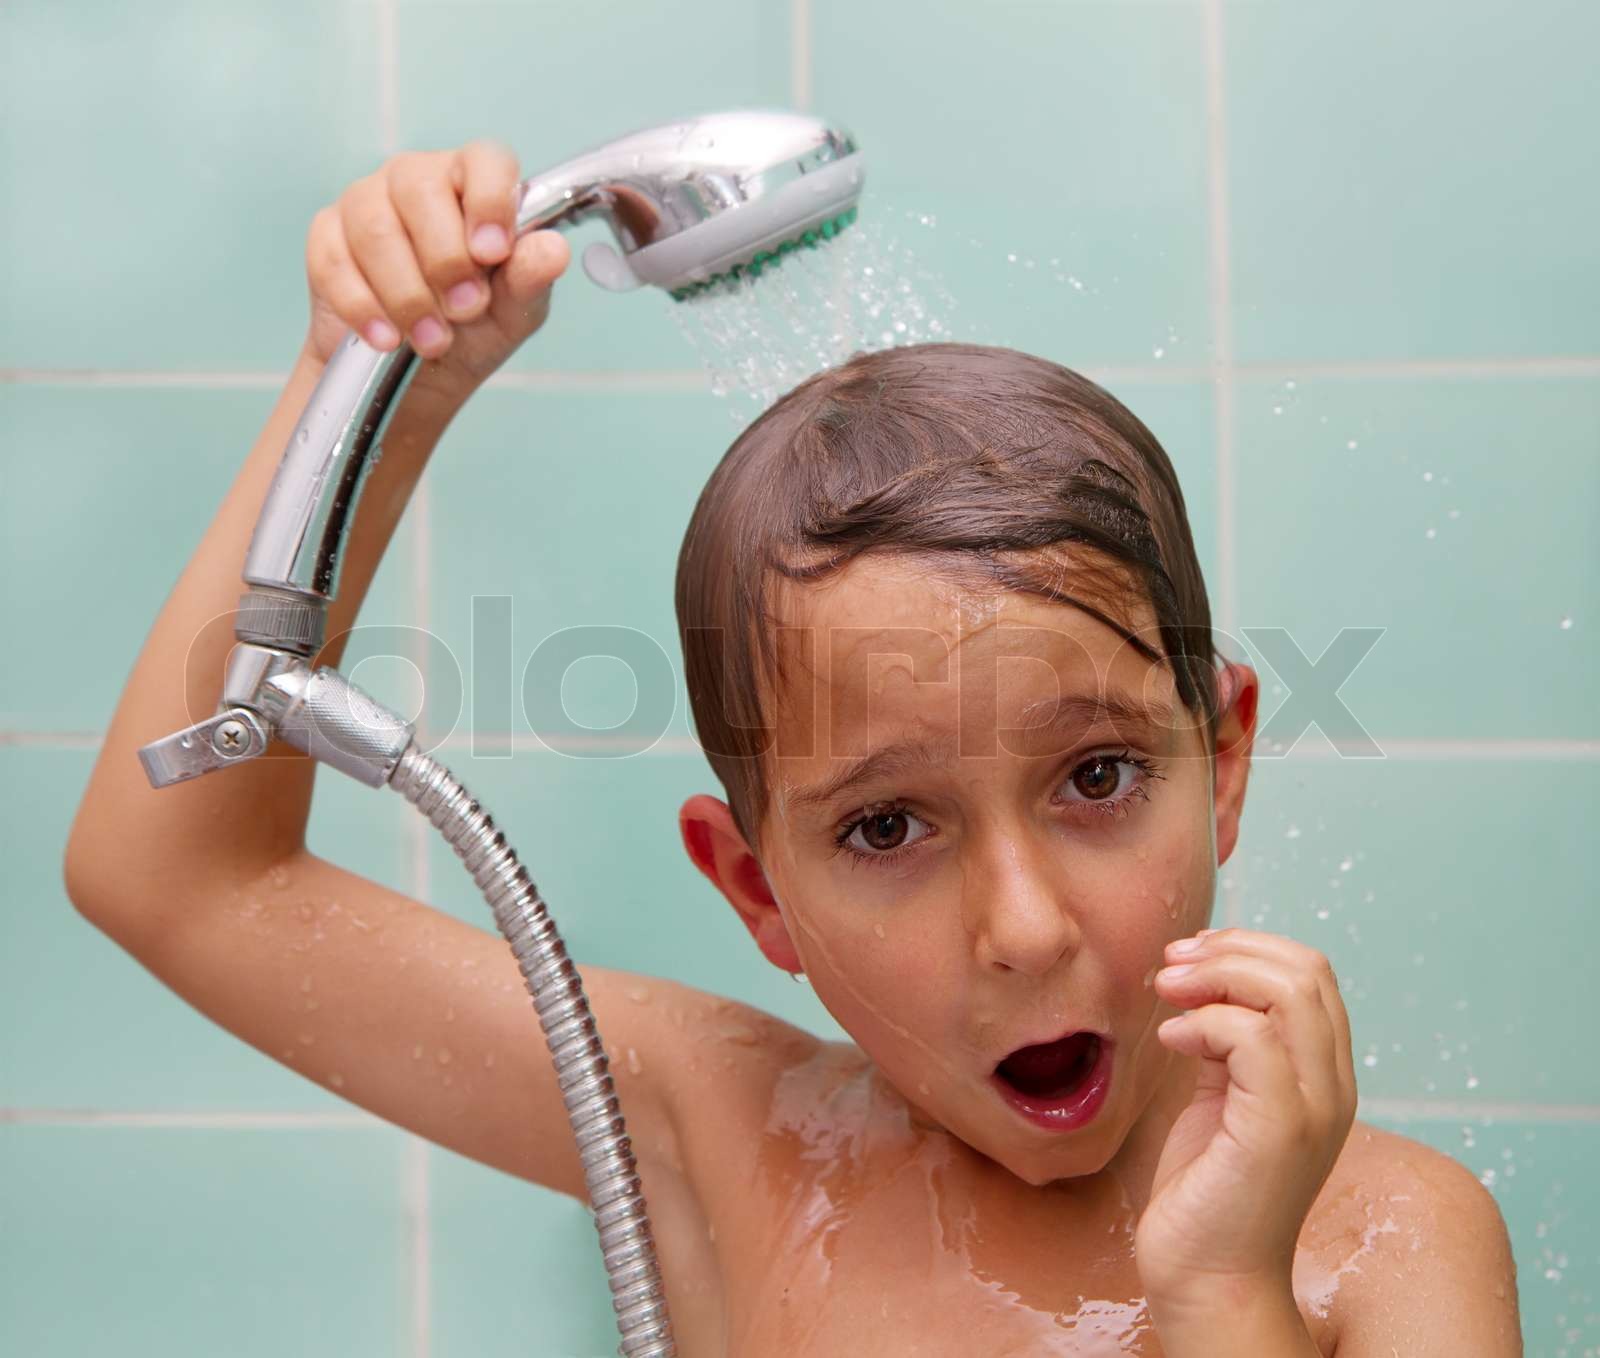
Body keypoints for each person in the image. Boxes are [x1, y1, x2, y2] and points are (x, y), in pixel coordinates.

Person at [65, 140, 1521, 1356]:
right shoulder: (728, 1140)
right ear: (755, 888)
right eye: (888, 826)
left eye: (1096, 777)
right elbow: (183, 875)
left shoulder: (1387, 1244)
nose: (1022, 926)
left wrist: (1222, 1294)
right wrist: (376, 382)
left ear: (1228, 761)